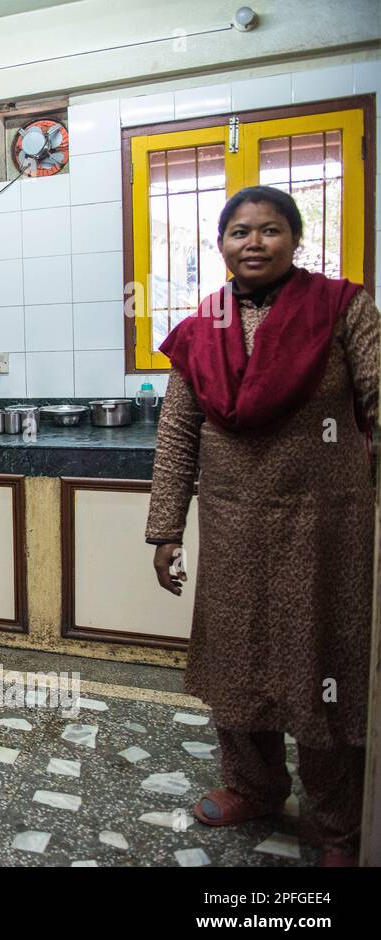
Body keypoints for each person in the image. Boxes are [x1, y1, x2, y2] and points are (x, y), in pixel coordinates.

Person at [146, 185, 378, 867]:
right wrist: (166, 529)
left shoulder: (342, 309)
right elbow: (177, 434)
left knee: (324, 668)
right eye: (239, 231)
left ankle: (337, 821)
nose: (254, 242)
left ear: (295, 239)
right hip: (233, 522)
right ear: (220, 245)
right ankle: (256, 787)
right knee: (236, 661)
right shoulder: (201, 330)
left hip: (327, 524)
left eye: (270, 230)